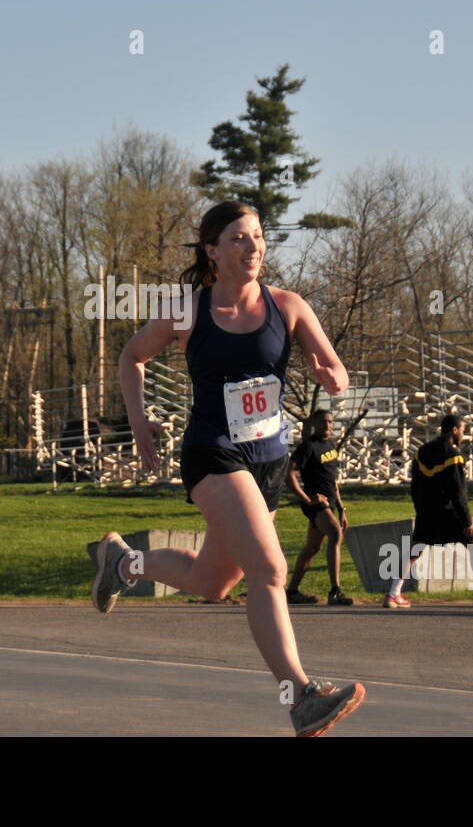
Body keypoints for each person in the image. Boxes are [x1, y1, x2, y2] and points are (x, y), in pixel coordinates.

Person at [90, 200, 364, 737]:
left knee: (211, 582)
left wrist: (330, 375)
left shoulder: (288, 306)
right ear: (213, 252)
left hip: (269, 461)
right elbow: (132, 356)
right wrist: (139, 421)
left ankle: (122, 565)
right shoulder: (187, 310)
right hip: (213, 453)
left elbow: (339, 371)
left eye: (258, 236)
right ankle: (301, 694)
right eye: (239, 238)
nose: (253, 246)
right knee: (270, 571)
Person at [383, 413, 473, 609]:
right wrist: (467, 521)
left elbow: (415, 485)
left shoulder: (422, 451)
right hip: (448, 511)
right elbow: (457, 492)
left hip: (426, 511)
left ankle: (393, 594)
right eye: (463, 431)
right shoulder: (453, 456)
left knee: (415, 550)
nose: (463, 435)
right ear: (454, 430)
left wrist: (420, 509)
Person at [285, 407, 367, 606]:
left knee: (312, 548)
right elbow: (289, 475)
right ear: (314, 424)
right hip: (316, 503)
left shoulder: (330, 445)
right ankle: (335, 591)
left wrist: (341, 508)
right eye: (323, 422)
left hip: (329, 502)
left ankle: (292, 591)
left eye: (330, 422)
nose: (327, 425)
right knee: (336, 534)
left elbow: (331, 480)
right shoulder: (308, 447)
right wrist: (307, 499)